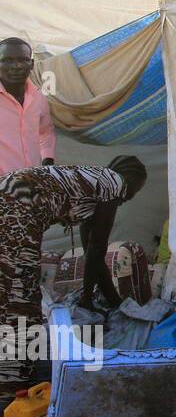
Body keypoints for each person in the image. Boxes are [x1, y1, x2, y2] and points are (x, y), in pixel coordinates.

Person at [0, 158, 148, 397]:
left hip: (8, 191)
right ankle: (11, 387)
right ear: (129, 179)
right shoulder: (114, 183)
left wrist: (101, 299)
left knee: (7, 288)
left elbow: (91, 252)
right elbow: (98, 248)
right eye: (136, 189)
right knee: (20, 294)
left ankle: (11, 378)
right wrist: (95, 300)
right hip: (19, 205)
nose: (131, 196)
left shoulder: (91, 183)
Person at [0, 38, 55, 176]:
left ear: (31, 64)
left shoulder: (38, 98)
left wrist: (47, 160)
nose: (16, 66)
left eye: (23, 59)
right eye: (7, 60)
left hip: (33, 184)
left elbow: (45, 132)